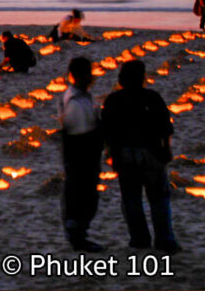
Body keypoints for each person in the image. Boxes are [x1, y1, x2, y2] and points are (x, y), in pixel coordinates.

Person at [101, 59, 180, 253]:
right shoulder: (152, 98)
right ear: (143, 78)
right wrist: (167, 149)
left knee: (131, 198)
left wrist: (110, 153)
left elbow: (107, 131)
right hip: (151, 152)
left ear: (121, 79)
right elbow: (166, 127)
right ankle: (164, 240)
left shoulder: (114, 100)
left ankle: (139, 238)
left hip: (125, 154)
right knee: (158, 199)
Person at [58, 57, 103, 252]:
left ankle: (79, 234)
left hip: (86, 153)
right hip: (81, 154)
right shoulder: (75, 99)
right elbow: (76, 130)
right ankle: (77, 237)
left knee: (86, 196)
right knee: (81, 196)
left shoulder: (83, 96)